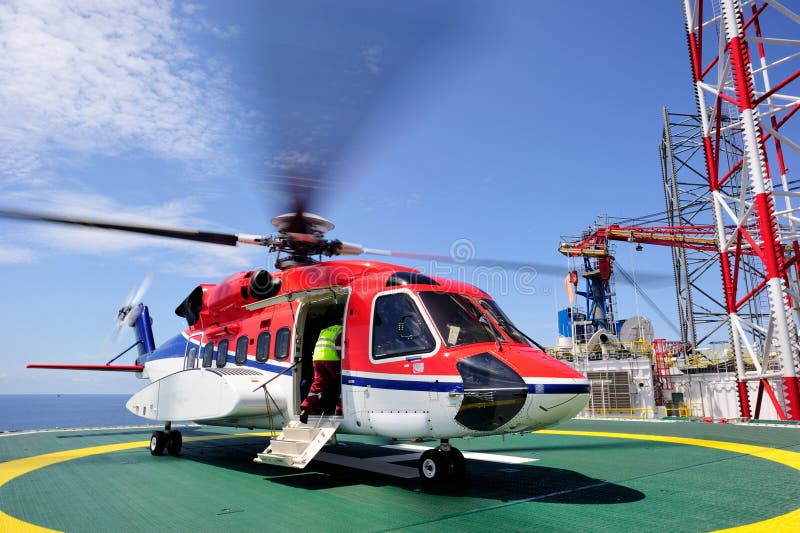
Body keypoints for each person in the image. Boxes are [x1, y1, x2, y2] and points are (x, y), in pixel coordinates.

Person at [299, 324, 343, 423]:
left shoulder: (324, 330)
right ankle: (339, 410)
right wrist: (343, 359)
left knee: (318, 385)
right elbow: (339, 347)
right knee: (343, 382)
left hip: (317, 359)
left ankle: (306, 408)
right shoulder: (341, 330)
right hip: (332, 359)